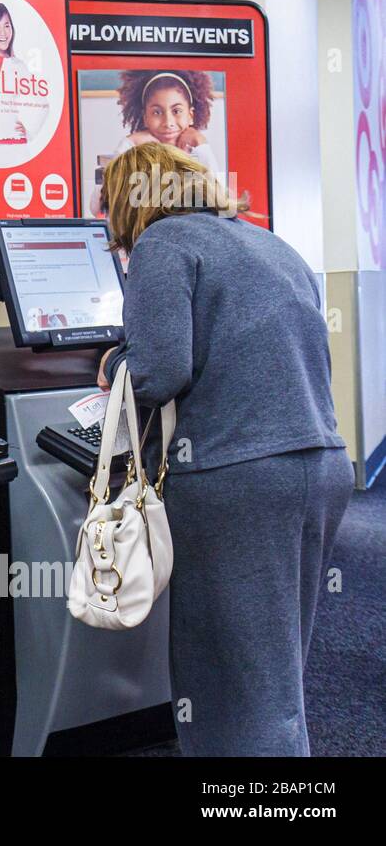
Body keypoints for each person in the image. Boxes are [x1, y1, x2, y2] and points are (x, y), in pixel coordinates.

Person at [96, 142, 352, 756]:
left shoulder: (162, 247)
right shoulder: (272, 245)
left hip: (238, 481)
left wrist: (112, 362)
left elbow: (159, 373)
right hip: (320, 464)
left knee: (230, 683)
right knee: (275, 674)